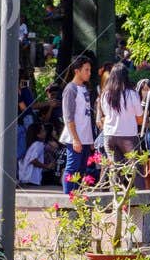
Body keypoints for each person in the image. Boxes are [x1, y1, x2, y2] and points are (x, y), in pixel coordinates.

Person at [60, 54, 96, 194]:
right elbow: (68, 117)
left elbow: (88, 116)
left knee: (81, 169)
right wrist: (75, 138)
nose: (89, 73)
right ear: (77, 71)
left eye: (89, 70)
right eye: (86, 70)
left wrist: (91, 139)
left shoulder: (85, 88)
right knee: (72, 167)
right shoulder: (70, 89)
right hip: (75, 137)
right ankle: (67, 201)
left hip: (85, 137)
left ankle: (77, 199)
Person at [99, 65, 142, 163]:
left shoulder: (105, 94)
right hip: (128, 135)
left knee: (115, 170)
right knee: (136, 169)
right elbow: (140, 119)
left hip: (109, 135)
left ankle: (114, 179)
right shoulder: (132, 94)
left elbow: (105, 114)